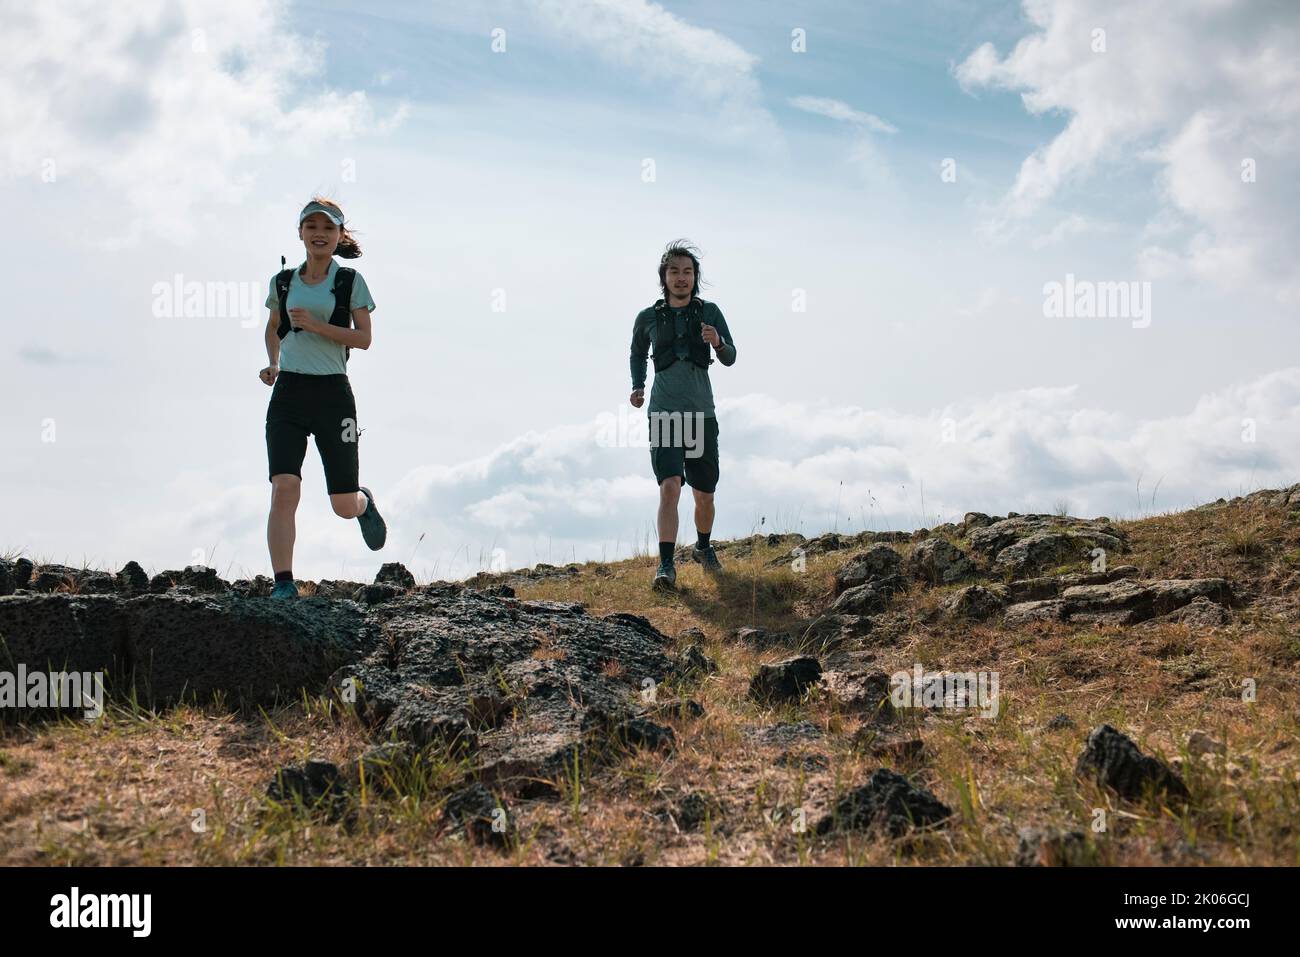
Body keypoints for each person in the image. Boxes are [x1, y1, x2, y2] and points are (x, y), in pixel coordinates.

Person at [258, 198, 387, 599]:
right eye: (311, 226)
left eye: (328, 228)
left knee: (341, 504)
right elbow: (273, 327)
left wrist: (316, 326)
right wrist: (272, 363)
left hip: (333, 395)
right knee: (284, 487)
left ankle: (364, 503)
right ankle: (284, 582)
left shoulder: (349, 281)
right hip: (289, 394)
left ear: (338, 236)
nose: (319, 233)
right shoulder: (282, 282)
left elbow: (363, 339)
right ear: (299, 233)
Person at [628, 240, 737, 590]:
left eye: (687, 272)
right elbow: (636, 353)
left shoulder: (710, 312)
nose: (681, 278)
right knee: (670, 488)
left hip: (701, 414)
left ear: (695, 277)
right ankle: (665, 566)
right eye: (674, 271)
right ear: (664, 277)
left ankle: (703, 548)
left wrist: (717, 341)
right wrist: (637, 385)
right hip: (663, 412)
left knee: (705, 495)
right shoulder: (648, 318)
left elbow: (731, 356)